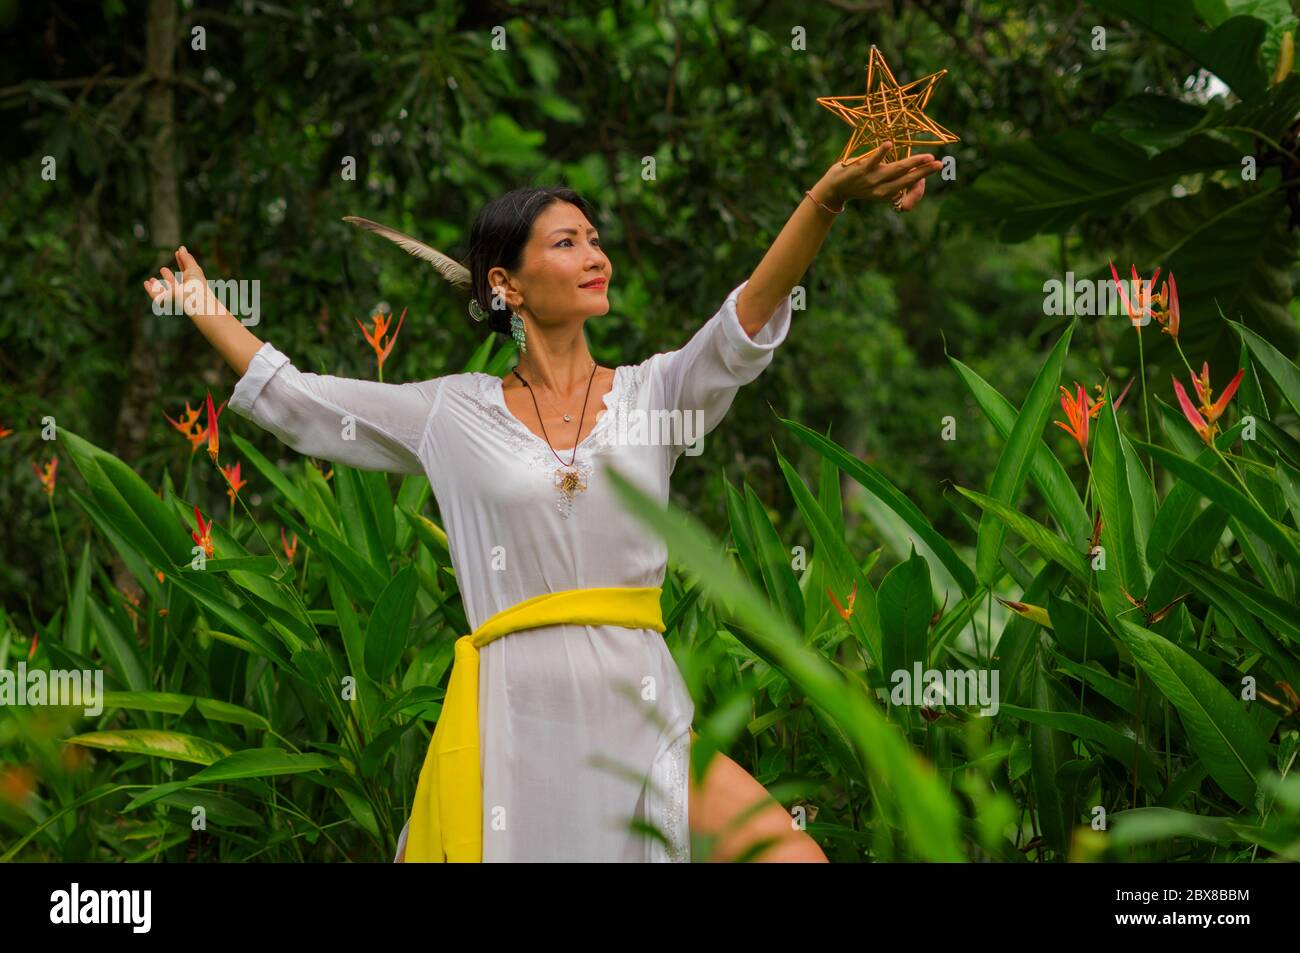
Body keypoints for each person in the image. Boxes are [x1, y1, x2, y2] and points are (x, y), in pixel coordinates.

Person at [142, 142, 941, 862]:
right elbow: (303, 403)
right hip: (514, 724)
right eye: (567, 243)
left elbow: (743, 323)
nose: (595, 255)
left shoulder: (654, 393)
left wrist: (827, 197)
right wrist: (207, 308)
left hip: (642, 712)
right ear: (506, 283)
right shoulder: (450, 413)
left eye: (594, 239)